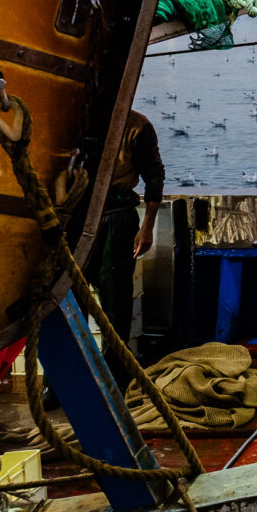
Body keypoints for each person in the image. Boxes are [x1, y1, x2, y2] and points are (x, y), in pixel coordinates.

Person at [91, 109, 166, 379]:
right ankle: (60, 379)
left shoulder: (137, 126)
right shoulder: (72, 113)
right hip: (73, 218)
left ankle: (114, 374)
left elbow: (154, 177)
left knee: (115, 302)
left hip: (116, 219)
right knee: (63, 302)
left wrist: (147, 227)